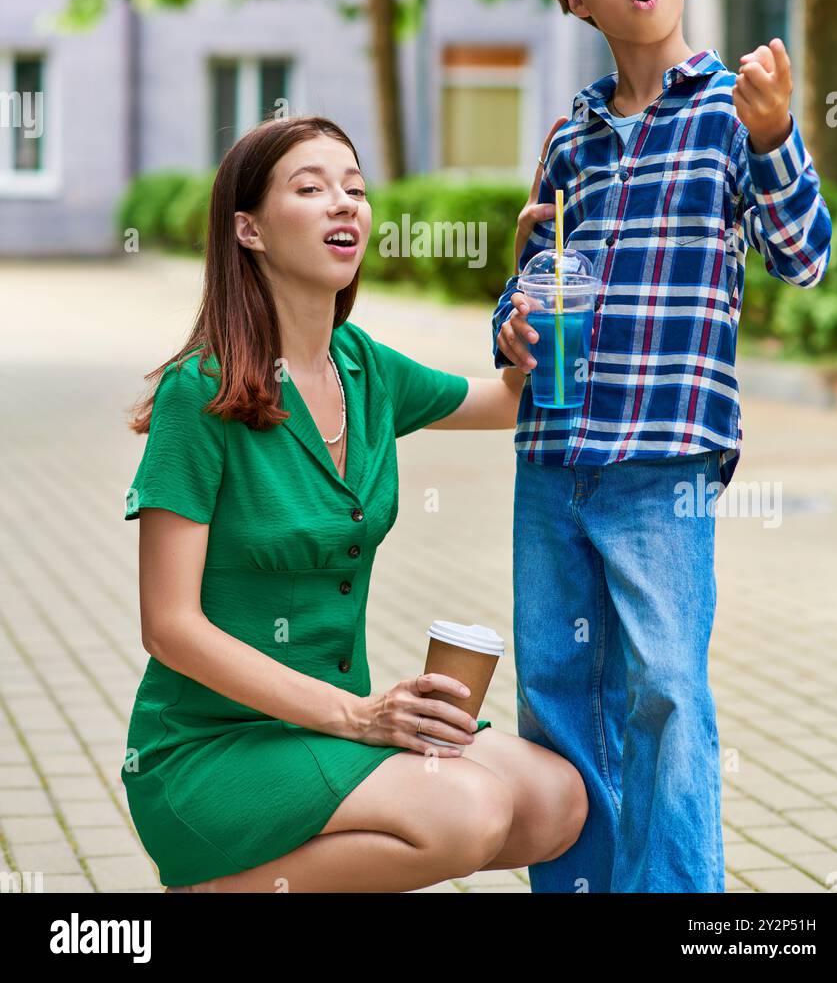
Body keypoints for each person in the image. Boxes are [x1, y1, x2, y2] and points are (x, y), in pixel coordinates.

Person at [120, 113, 587, 893]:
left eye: (356, 189)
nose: (344, 204)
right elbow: (168, 628)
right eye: (311, 189)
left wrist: (530, 288)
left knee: (555, 802)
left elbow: (510, 400)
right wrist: (357, 716)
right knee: (463, 814)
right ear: (249, 229)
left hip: (337, 730)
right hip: (212, 748)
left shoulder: (362, 366)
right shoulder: (197, 394)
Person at [492, 0, 832, 893]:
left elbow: (802, 258)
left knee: (663, 690)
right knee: (554, 693)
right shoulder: (569, 140)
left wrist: (775, 138)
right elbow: (534, 287)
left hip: (662, 458)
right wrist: (508, 325)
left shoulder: (734, 114)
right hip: (552, 459)